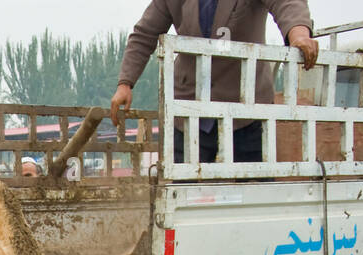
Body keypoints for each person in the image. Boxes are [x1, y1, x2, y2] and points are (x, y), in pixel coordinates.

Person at [111, 0, 318, 164]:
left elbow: (288, 3)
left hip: (247, 106)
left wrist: (299, 34)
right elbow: (144, 34)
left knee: (254, 191)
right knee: (184, 193)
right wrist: (125, 84)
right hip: (190, 107)